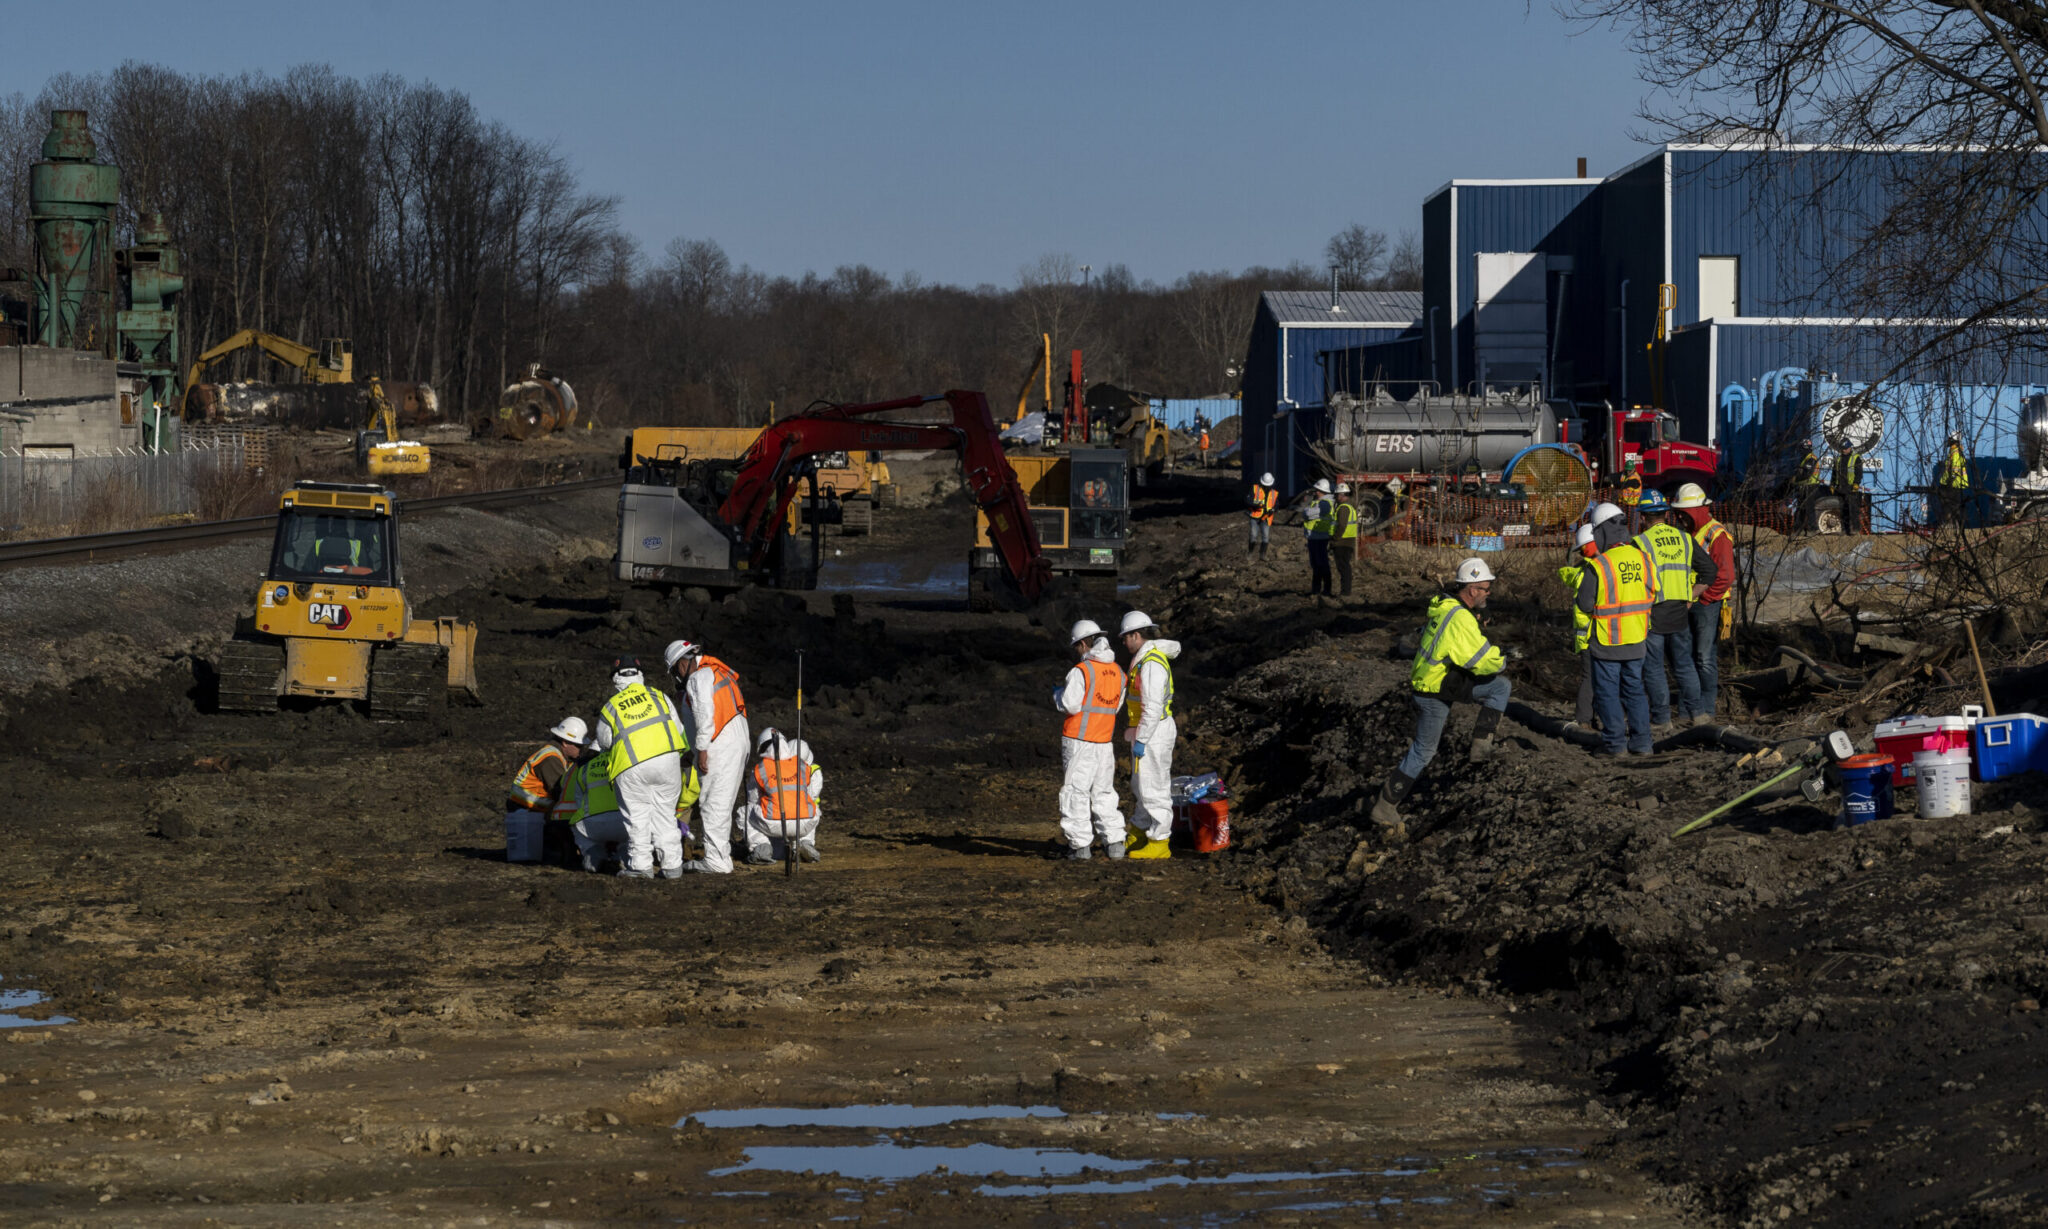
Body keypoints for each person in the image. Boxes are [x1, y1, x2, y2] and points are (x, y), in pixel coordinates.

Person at [1370, 558, 1511, 839]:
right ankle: (1385, 806)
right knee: (1424, 750)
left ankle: (1481, 751)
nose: (1488, 594)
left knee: (1500, 688)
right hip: (1434, 690)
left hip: (1438, 681)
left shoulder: (1447, 607)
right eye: (1485, 588)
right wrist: (1505, 659)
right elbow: (1478, 659)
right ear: (1471, 589)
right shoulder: (1459, 618)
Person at [590, 663, 691, 878]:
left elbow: (604, 741)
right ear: (639, 675)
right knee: (665, 814)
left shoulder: (612, 706)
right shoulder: (659, 696)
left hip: (632, 765)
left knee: (637, 817)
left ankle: (641, 866)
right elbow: (679, 729)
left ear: (616, 678)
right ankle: (672, 866)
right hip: (668, 762)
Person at [1631, 490, 1718, 735]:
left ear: (1644, 518)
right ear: (1666, 515)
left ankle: (1661, 719)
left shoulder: (1640, 543)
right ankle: (1698, 714)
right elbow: (1710, 572)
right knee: (1684, 665)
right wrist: (1691, 595)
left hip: (1652, 614)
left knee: (1654, 668)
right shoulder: (1684, 538)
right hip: (1680, 612)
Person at [1576, 503, 1657, 756]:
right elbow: (1656, 593)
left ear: (1601, 532)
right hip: (1636, 639)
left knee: (1607, 693)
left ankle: (1615, 745)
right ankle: (1643, 744)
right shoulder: (1644, 558)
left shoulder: (1599, 565)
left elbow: (1585, 603)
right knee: (1635, 690)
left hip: (1608, 641)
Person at [666, 639, 752, 874]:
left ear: (682, 664)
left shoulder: (698, 677)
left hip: (719, 745)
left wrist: (702, 749)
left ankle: (716, 860)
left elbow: (704, 713)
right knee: (721, 803)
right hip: (736, 742)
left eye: (675, 670)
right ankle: (719, 856)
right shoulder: (718, 672)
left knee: (713, 803)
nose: (676, 676)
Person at [1053, 619, 1127, 860]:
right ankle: (1115, 843)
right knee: (1104, 792)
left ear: (1084, 643)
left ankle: (1079, 847)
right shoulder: (1118, 672)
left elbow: (1070, 704)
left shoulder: (1082, 671)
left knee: (1076, 792)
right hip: (1104, 743)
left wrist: (1057, 696)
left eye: (1077, 646)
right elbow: (1113, 708)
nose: (1077, 651)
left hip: (1079, 741)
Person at [1118, 612, 1180, 860]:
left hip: (1154, 732)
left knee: (1154, 787)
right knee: (1141, 785)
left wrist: (1142, 739)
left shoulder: (1152, 664)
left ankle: (1159, 841)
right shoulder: (1144, 660)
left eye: (1125, 637)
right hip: (1146, 730)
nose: (1123, 643)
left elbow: (1153, 707)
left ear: (1136, 635)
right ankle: (1141, 830)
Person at [1670, 482, 1733, 726]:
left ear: (1694, 511)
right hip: (1689, 602)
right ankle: (1689, 711)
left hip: (1708, 603)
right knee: (1687, 657)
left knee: (1704, 657)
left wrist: (1700, 597)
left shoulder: (1717, 535)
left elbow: (1725, 576)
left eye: (1682, 513)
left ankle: (1706, 710)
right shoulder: (1686, 532)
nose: (1678, 517)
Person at [743, 727, 823, 865]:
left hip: (774, 823)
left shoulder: (760, 769)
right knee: (810, 805)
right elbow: (808, 794)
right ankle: (805, 842)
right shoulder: (802, 765)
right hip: (804, 823)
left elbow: (752, 799)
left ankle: (761, 847)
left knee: (744, 812)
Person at [508, 716, 583, 863]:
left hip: (531, 809)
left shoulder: (558, 756)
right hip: (528, 810)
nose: (581, 750)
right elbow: (561, 792)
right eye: (578, 745)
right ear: (566, 742)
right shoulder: (551, 758)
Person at [1556, 523, 1599, 727]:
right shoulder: (1592, 574)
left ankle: (1587, 719)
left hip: (1585, 637)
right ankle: (1585, 720)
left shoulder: (1579, 572)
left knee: (1591, 678)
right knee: (1595, 679)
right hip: (1595, 635)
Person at [1302, 478, 1335, 596]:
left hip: (1320, 537)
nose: (1315, 492)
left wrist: (1306, 510)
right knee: (1316, 564)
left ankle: (1325, 589)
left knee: (1321, 564)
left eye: (1317, 490)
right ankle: (1316, 589)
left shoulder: (1325, 503)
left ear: (1321, 490)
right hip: (1314, 537)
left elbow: (1307, 514)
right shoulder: (1319, 502)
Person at [1330, 484, 1361, 597]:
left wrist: (1335, 539)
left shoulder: (1343, 508)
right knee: (1345, 567)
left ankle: (1345, 592)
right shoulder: (1350, 507)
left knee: (1343, 567)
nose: (1336, 497)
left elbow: (1342, 526)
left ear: (1342, 495)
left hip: (1342, 542)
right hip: (1348, 541)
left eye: (1337, 494)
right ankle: (1346, 591)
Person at [1935, 432, 1970, 528]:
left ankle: (1950, 524)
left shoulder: (1955, 452)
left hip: (1953, 484)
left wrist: (1951, 479)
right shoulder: (1954, 451)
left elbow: (1955, 467)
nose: (1948, 440)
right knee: (1954, 504)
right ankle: (1955, 523)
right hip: (1954, 483)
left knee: (1948, 504)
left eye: (1950, 438)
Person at [1247, 472, 1279, 559]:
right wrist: (1256, 505)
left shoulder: (1274, 493)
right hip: (1255, 516)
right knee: (1253, 536)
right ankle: (1250, 553)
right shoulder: (1255, 489)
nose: (1267, 486)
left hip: (1266, 518)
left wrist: (1272, 510)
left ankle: (1263, 555)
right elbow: (1248, 501)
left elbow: (1276, 505)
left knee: (1265, 537)